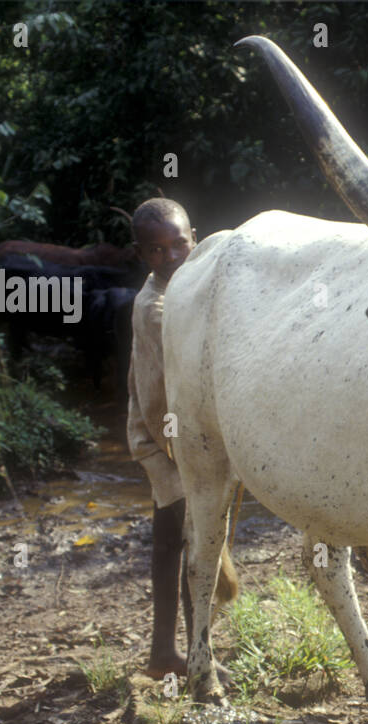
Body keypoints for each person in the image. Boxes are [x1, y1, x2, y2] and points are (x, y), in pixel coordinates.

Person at [125, 197, 237, 680]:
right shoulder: (158, 309)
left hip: (171, 437)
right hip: (163, 440)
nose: (171, 257)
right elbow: (155, 398)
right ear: (143, 256)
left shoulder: (185, 294)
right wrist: (181, 455)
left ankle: (165, 654)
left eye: (179, 244)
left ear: (197, 239)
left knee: (175, 542)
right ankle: (195, 659)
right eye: (157, 250)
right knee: (193, 545)